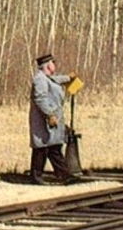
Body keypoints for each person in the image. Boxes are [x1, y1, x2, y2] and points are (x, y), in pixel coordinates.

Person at [29, 53, 79, 185]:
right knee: (43, 148)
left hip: (50, 122)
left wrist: (69, 78)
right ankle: (37, 176)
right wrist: (50, 114)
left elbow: (56, 79)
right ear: (47, 65)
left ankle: (63, 175)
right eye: (53, 62)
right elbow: (40, 98)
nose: (55, 65)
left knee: (53, 148)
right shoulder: (40, 79)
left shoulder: (47, 78)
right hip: (44, 121)